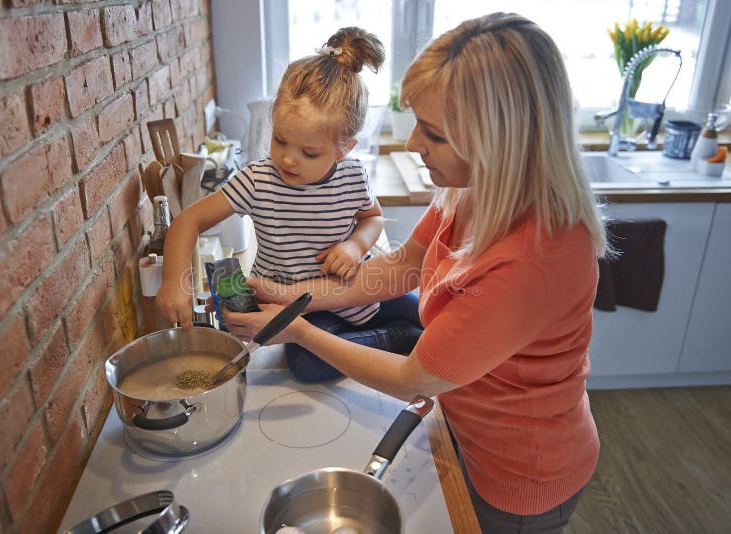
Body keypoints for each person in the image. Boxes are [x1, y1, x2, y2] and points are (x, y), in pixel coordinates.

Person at [222, 13, 608, 534]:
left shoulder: (535, 256)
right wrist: (291, 295)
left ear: (498, 138)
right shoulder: (471, 191)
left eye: (432, 133)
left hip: (518, 473)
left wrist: (297, 330)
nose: (411, 146)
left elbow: (413, 378)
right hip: (461, 426)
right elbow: (400, 268)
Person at [157, 27, 424, 382]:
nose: (288, 160)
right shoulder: (257, 180)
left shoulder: (352, 175)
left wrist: (355, 245)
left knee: (427, 309)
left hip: (356, 291)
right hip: (299, 307)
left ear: (344, 149)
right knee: (306, 363)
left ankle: (398, 338)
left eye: (309, 152)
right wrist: (173, 282)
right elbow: (187, 221)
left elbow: (372, 218)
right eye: (280, 140)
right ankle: (397, 340)